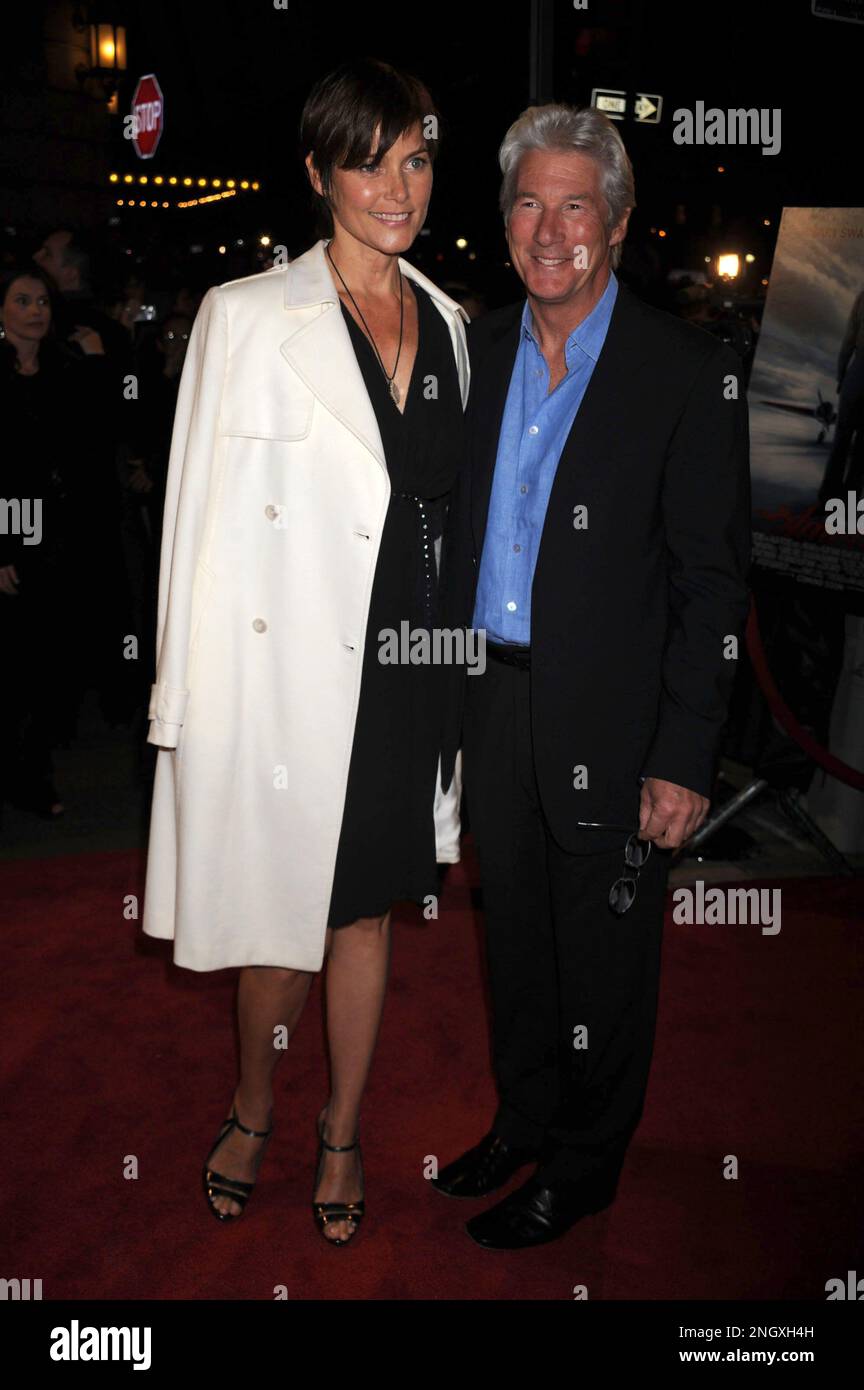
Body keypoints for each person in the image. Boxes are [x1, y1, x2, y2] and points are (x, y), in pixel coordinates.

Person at [141, 58, 469, 1246]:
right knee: (275, 926)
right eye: (370, 159)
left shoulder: (450, 325)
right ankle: (251, 1103)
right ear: (321, 171)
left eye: (417, 158)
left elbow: (453, 525)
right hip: (281, 683)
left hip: (403, 675)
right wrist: (181, 696)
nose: (398, 184)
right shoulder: (245, 316)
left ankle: (342, 1124)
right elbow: (191, 517)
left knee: (365, 916)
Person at [436, 104, 751, 1249]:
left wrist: (683, 755)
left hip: (616, 723)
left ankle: (588, 1161)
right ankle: (525, 1117)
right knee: (512, 935)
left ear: (615, 223)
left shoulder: (685, 370)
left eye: (577, 203)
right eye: (530, 201)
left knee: (604, 956)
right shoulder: (474, 350)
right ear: (507, 220)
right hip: (495, 698)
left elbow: (712, 584)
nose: (551, 226)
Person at [0, 262, 104, 816]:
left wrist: (94, 367)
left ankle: (32, 772)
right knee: (16, 672)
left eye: (42, 301)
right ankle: (26, 777)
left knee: (50, 669)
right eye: (22, 301)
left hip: (63, 539)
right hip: (12, 535)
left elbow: (93, 443)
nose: (36, 311)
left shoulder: (62, 369)